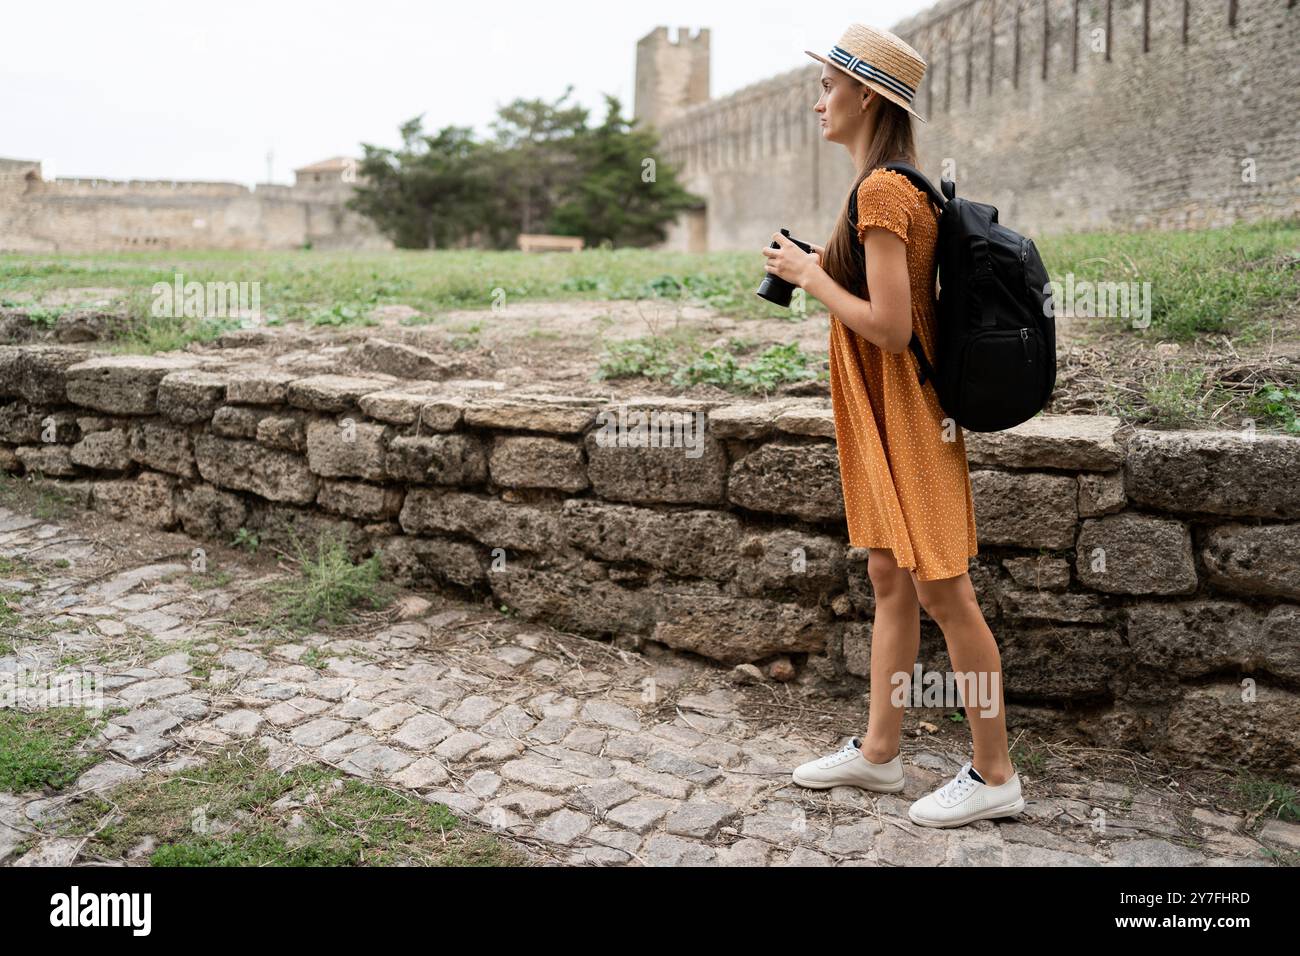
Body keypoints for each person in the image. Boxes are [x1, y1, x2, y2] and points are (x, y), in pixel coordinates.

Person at [761, 23, 1025, 829]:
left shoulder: (882, 192)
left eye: (829, 86)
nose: (819, 101)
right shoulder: (883, 186)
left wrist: (808, 276)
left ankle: (995, 773)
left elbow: (890, 328)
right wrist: (821, 264)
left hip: (908, 418)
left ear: (865, 94)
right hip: (888, 418)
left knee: (947, 592)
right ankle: (881, 753)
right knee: (889, 578)